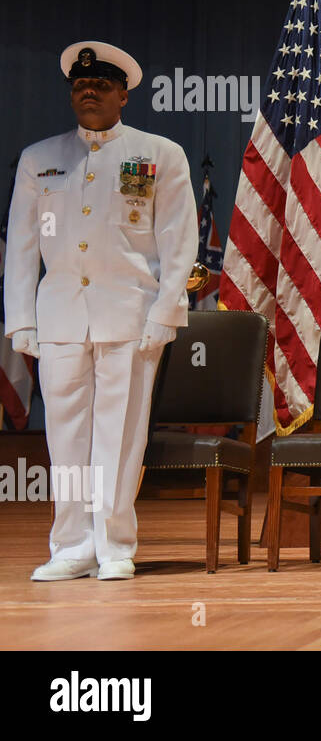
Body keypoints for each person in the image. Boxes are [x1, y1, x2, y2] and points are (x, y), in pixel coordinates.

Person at [6, 41, 197, 582]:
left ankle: (113, 542)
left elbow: (178, 241)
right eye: (79, 86)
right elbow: (21, 246)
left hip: (131, 314)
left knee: (121, 431)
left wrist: (166, 311)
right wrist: (20, 319)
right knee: (65, 436)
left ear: (124, 95)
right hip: (61, 314)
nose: (88, 92)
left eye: (101, 85)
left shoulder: (159, 154)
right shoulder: (40, 159)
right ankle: (71, 543)